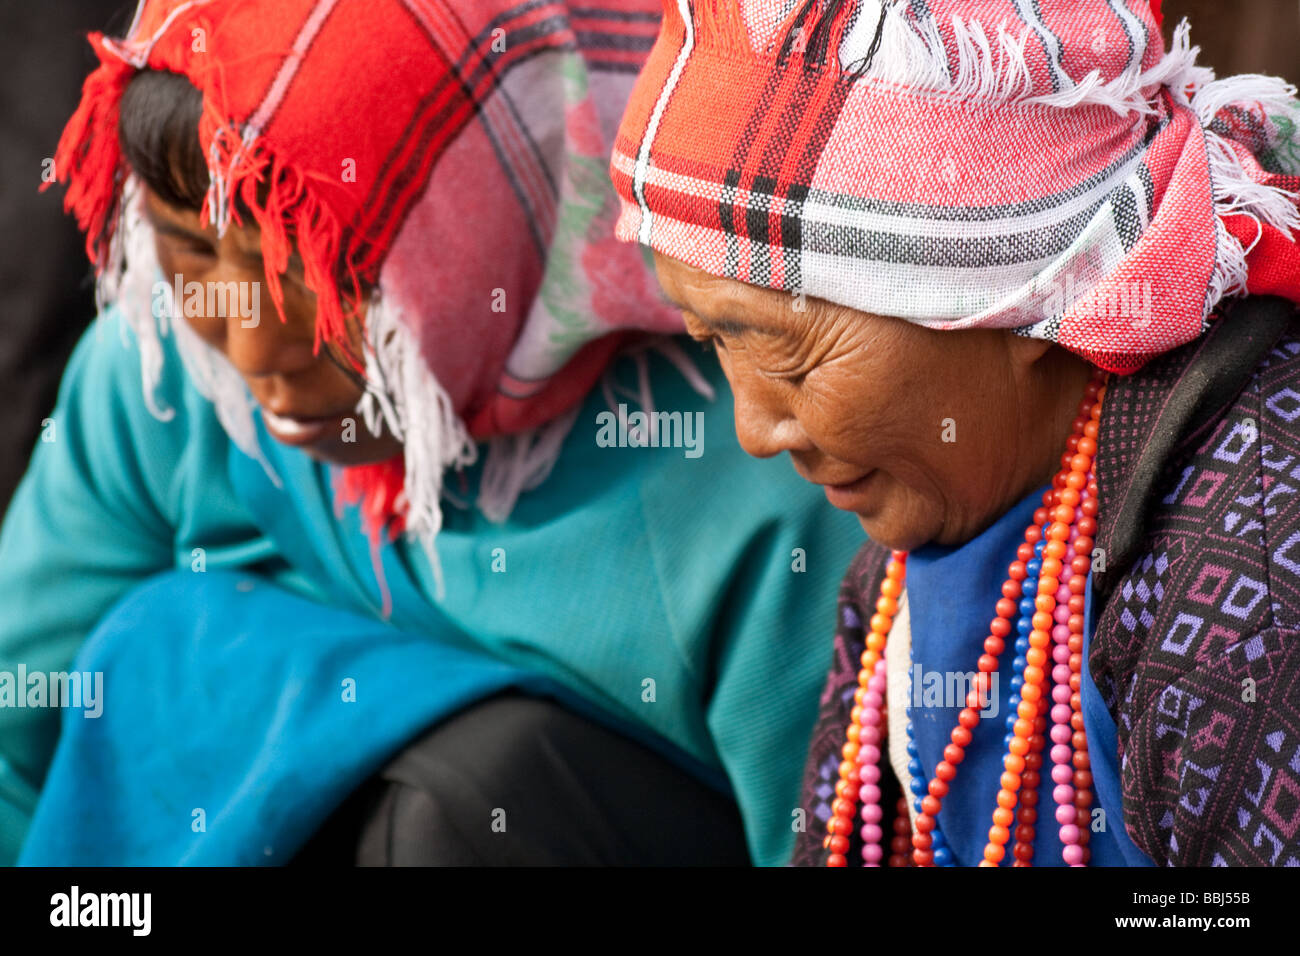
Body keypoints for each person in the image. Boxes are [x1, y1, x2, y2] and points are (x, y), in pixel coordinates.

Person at [0, 0, 863, 866]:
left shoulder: (764, 493)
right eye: (191, 253)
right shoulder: (164, 381)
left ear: (485, 226)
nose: (253, 343)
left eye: (309, 261)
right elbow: (15, 740)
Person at [611, 0, 1300, 866]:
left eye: (782, 351)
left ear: (1013, 299)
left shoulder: (1254, 587)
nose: (753, 430)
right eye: (714, 341)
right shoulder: (901, 574)